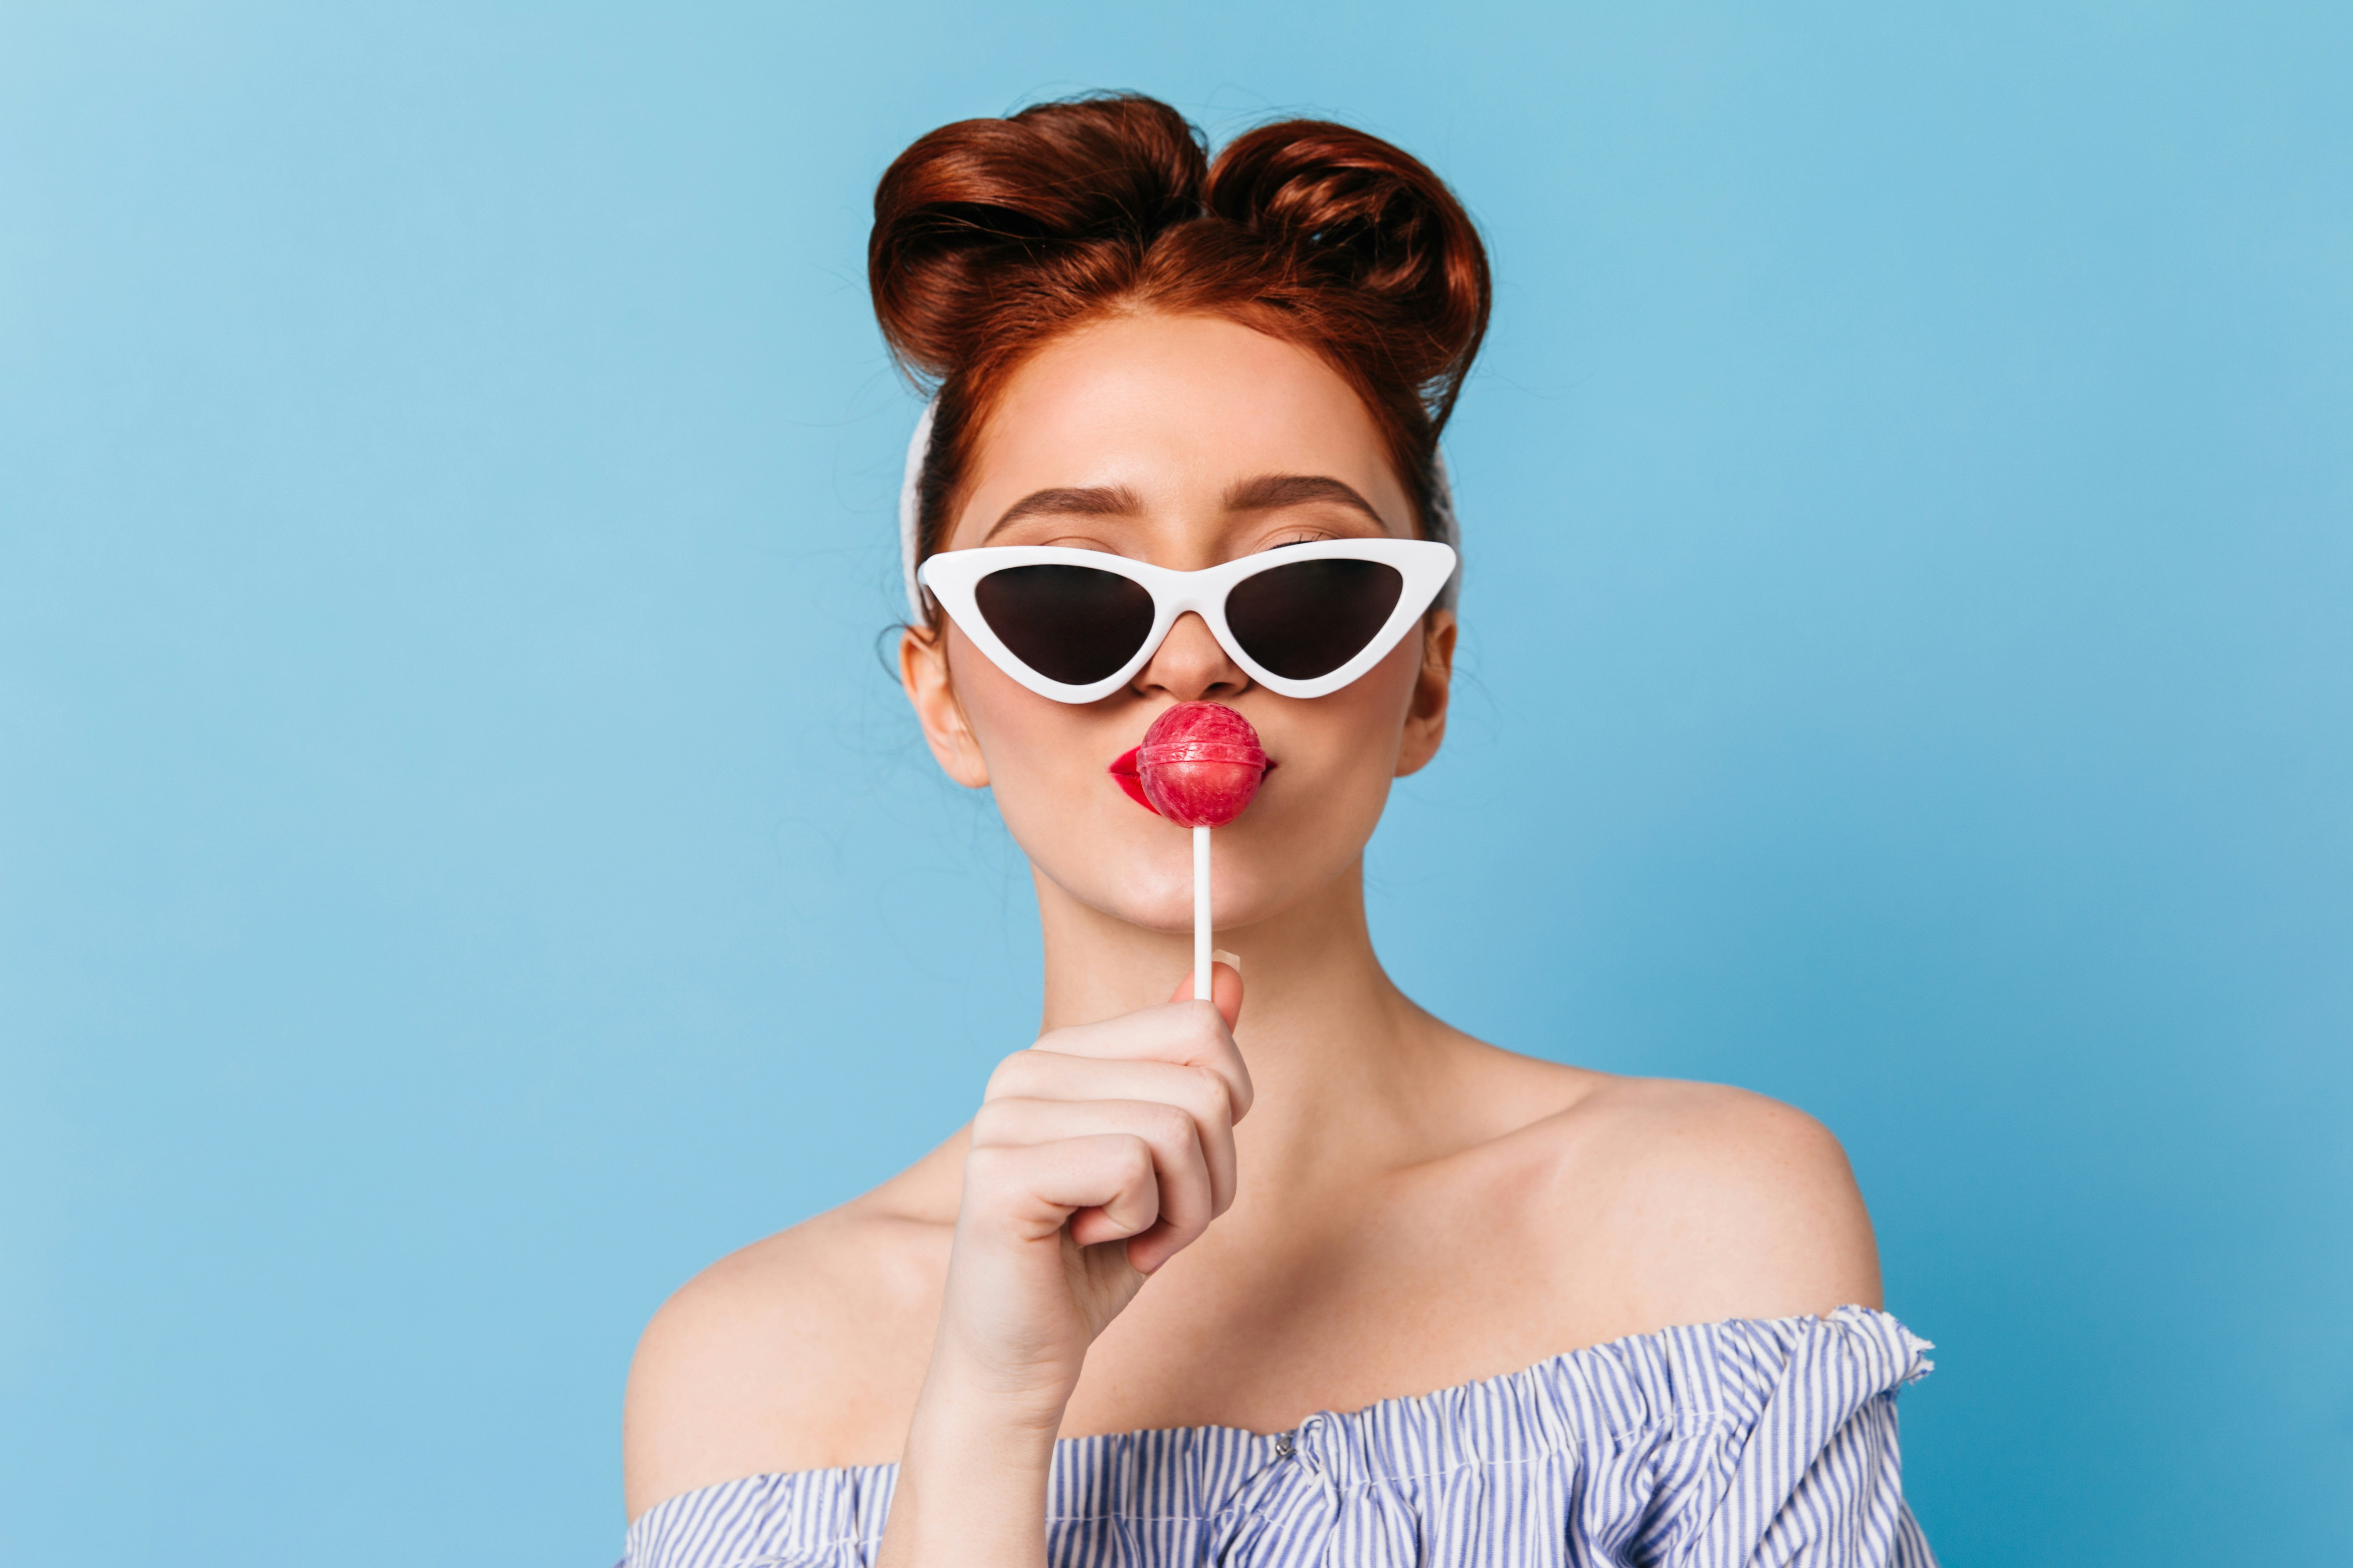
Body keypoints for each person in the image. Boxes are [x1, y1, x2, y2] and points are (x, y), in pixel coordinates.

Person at [618, 93, 1934, 1568]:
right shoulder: (750, 1369)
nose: (1189, 666)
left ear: (1423, 673)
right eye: (1073, 598)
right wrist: (988, 1407)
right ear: (946, 698)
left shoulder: (1695, 1218)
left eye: (1305, 588)